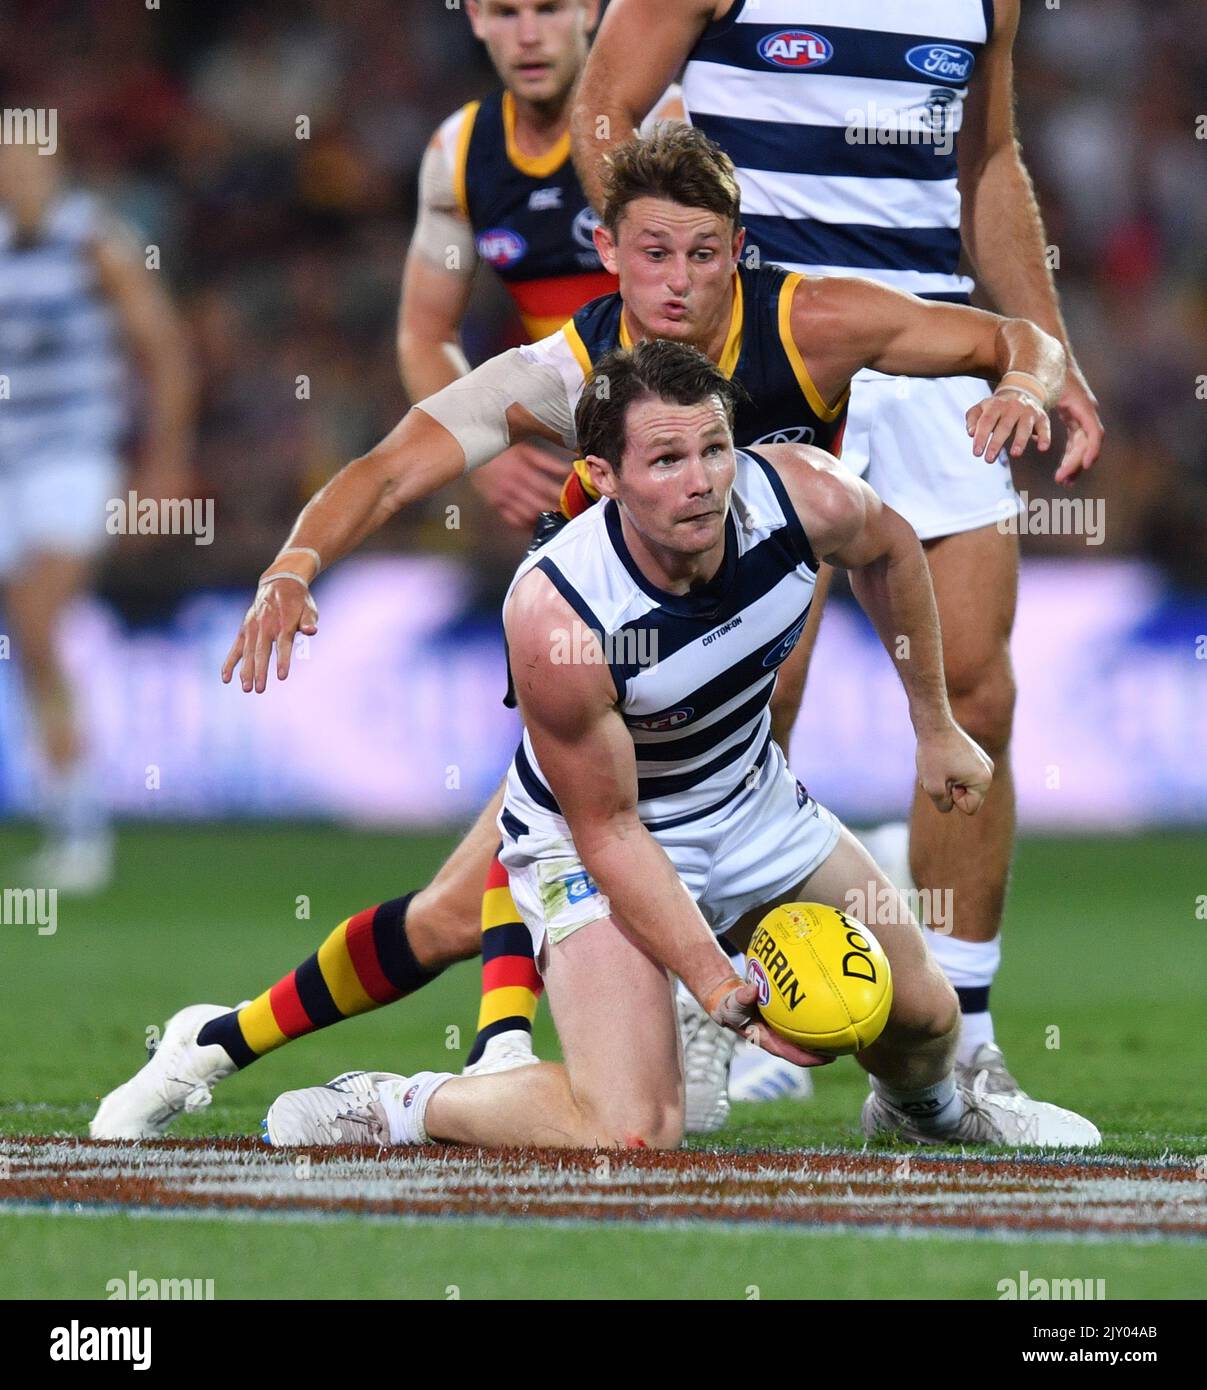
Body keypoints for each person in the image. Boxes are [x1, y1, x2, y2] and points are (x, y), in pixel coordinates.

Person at [91, 128, 1060, 1141]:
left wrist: (1026, 387)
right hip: (612, 684)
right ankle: (250, 1051)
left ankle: (841, 1077)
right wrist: (294, 564)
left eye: (701, 251)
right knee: (454, 920)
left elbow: (1003, 348)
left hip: (740, 717)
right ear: (605, 249)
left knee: (914, 1016)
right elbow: (390, 465)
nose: (677, 281)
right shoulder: (564, 379)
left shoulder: (812, 333)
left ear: (739, 247)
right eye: (652, 253)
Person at [261, 340, 1100, 1152]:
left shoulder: (806, 494)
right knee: (635, 1130)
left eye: (713, 449)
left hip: (751, 803)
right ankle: (397, 1104)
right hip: (595, 847)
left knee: (923, 1017)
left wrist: (934, 723)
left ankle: (929, 1113)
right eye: (665, 461)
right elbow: (608, 830)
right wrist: (718, 984)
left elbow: (889, 552)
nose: (699, 483)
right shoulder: (560, 614)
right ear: (602, 477)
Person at [569, 0, 1106, 1102]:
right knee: (749, 703)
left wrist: (1046, 348)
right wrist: (668, 307)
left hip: (921, 347)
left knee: (977, 700)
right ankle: (713, 1000)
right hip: (763, 352)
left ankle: (958, 1039)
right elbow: (602, 109)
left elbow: (990, 160)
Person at [0, 140, 195, 894]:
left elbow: (163, 348)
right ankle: (66, 816)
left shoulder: (94, 239)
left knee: (39, 621)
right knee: (28, 638)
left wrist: (165, 463)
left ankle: (81, 828)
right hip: (9, 463)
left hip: (72, 459)